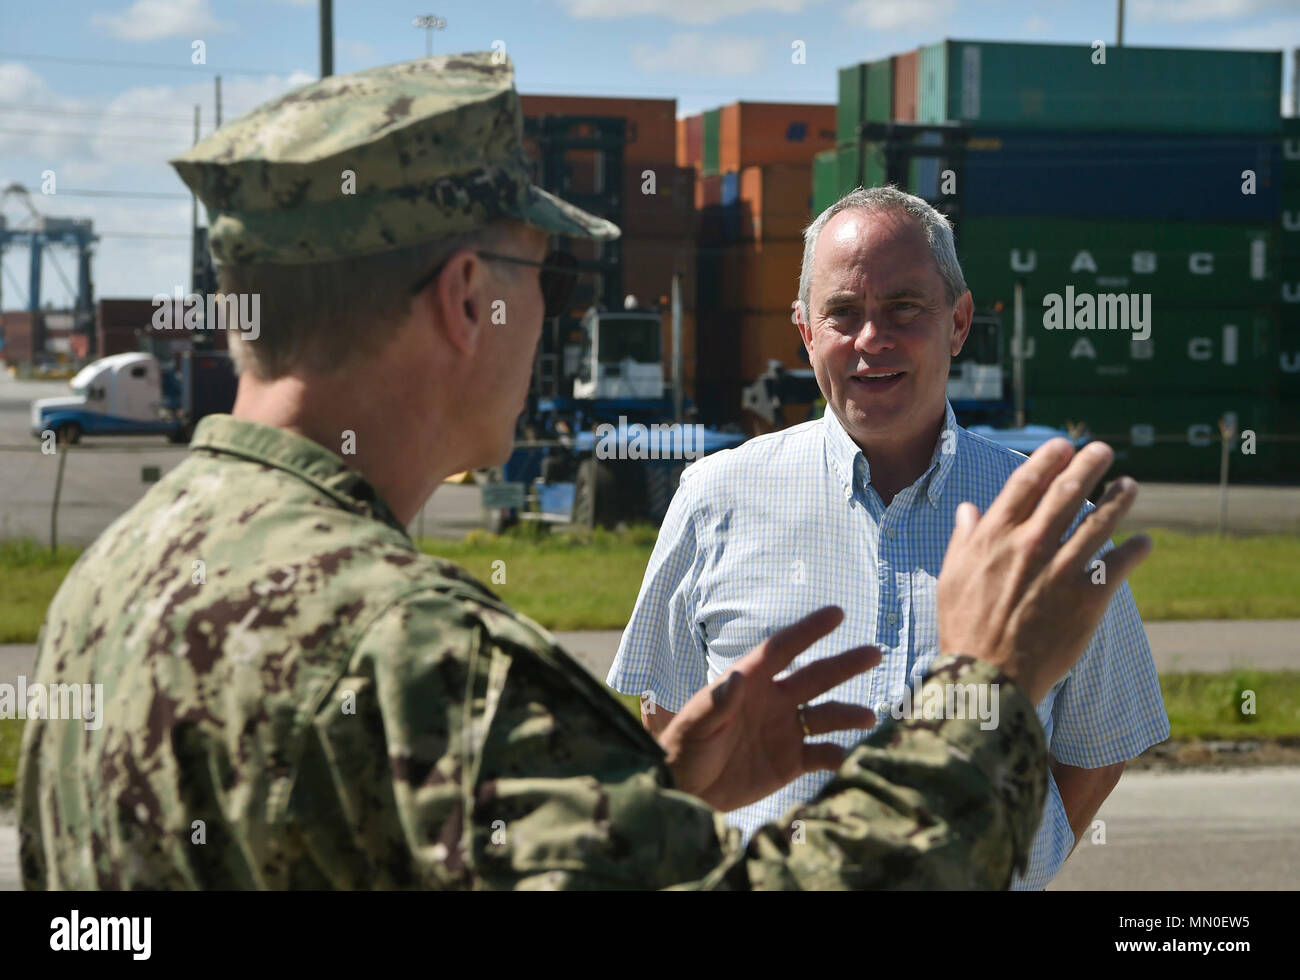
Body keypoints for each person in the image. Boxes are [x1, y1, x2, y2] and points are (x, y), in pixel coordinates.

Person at [19, 54, 1150, 891]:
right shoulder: (417, 657)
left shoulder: (114, 576)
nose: (549, 306)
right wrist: (980, 694)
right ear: (468, 298)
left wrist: (626, 803)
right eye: (537, 269)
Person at [608, 186, 1169, 889]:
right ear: (806, 331)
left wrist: (998, 866)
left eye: (905, 308)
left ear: (959, 322)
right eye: (842, 313)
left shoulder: (1048, 528)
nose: (872, 339)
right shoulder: (714, 497)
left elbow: (1093, 751)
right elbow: (669, 717)